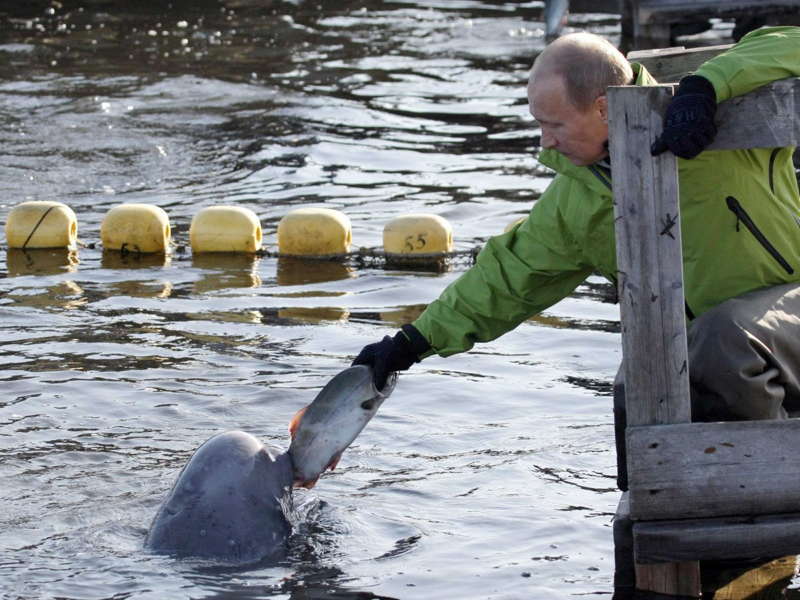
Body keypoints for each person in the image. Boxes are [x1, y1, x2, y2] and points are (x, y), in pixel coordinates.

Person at [353, 27, 800, 490]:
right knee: (638, 379)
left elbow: (791, 42)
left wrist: (708, 86)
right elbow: (506, 278)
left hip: (789, 319)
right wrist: (409, 344)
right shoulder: (575, 201)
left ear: (604, 107)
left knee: (721, 337)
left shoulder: (720, 113)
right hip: (711, 351)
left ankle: (771, 490)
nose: (545, 142)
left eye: (555, 124)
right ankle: (658, 516)